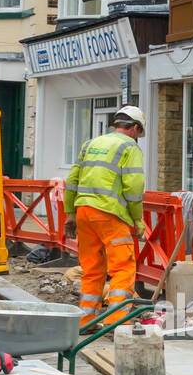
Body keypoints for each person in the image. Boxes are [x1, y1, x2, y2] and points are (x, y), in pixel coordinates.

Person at [63, 105, 147, 330]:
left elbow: (72, 180)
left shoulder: (91, 144)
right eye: (140, 133)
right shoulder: (129, 147)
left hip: (83, 212)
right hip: (109, 214)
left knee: (92, 269)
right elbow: (134, 186)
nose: (138, 138)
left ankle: (86, 321)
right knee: (122, 267)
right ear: (135, 128)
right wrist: (137, 219)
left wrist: (70, 214)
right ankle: (117, 322)